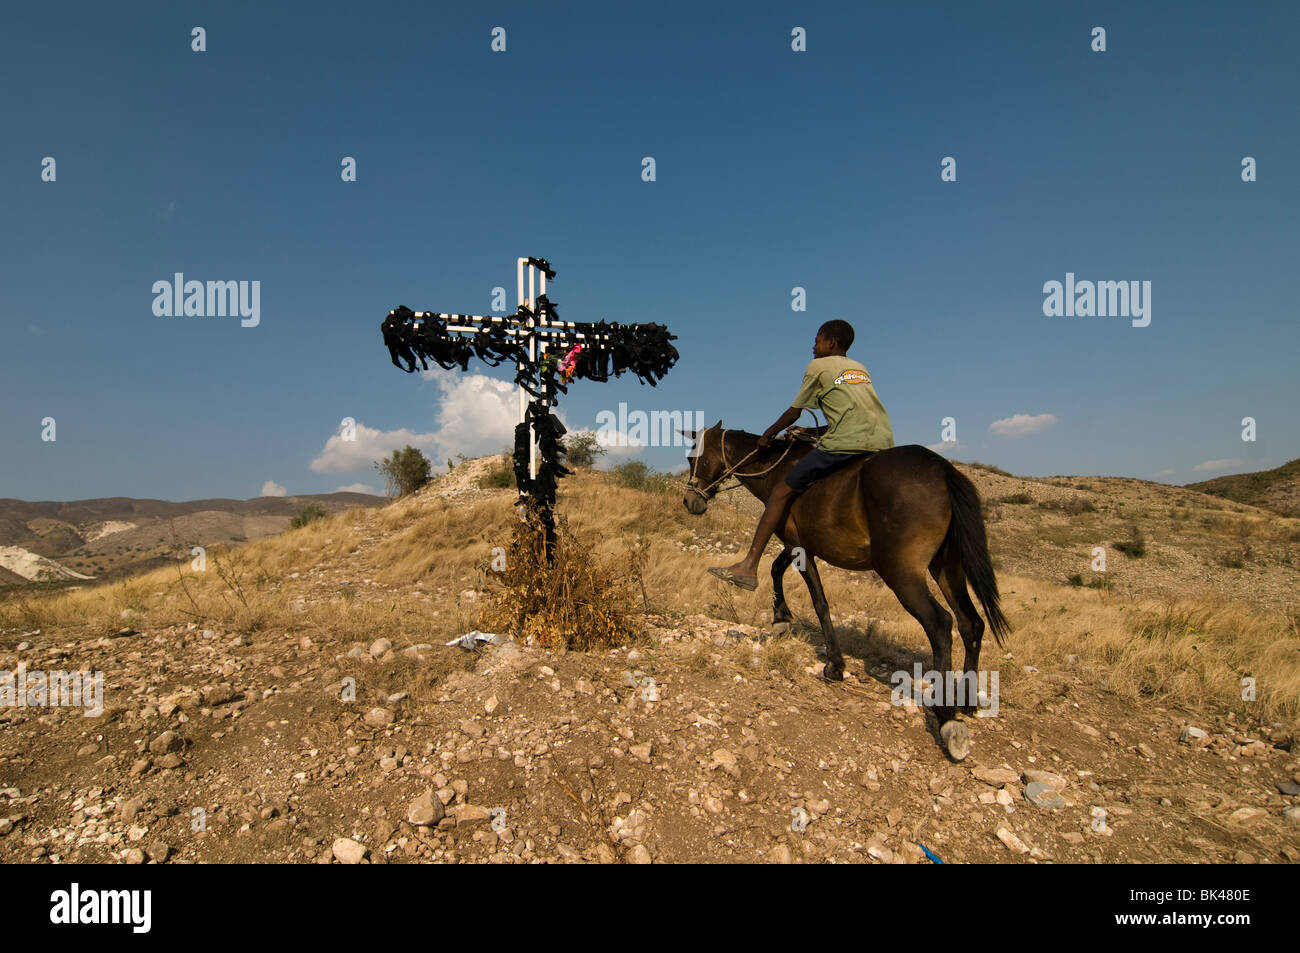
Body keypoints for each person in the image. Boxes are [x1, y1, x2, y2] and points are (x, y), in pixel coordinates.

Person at [708, 319, 894, 590]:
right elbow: (847, 418)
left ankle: (748, 566)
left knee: (781, 491)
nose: (813, 345)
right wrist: (808, 431)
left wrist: (767, 434)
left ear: (831, 343)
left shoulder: (818, 366)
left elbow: (794, 410)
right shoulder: (860, 369)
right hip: (882, 441)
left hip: (847, 443)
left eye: (817, 340)